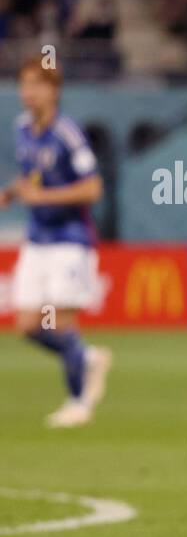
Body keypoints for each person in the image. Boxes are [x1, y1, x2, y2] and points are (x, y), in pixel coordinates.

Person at [0, 58, 111, 427]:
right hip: (38, 239)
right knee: (28, 325)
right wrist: (14, 192)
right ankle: (88, 357)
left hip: (69, 240)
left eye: (35, 84)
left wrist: (43, 199)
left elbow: (93, 188)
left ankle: (79, 402)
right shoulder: (22, 130)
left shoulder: (68, 133)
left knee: (61, 321)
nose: (27, 92)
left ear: (54, 90)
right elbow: (35, 176)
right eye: (23, 84)